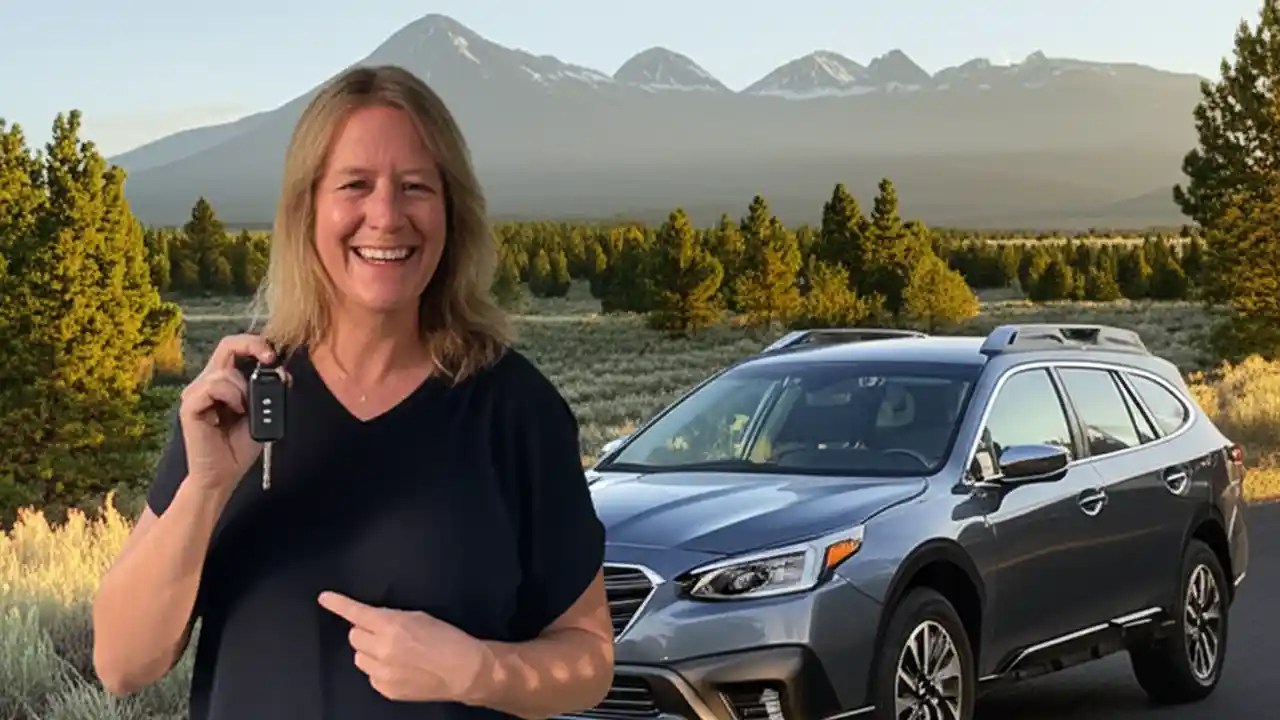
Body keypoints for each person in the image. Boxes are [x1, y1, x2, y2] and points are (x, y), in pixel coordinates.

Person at [90, 64, 614, 719]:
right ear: (308, 209)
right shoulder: (239, 402)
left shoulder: (514, 411)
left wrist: (479, 670)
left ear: (452, 211)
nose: (387, 217)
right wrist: (204, 489)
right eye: (355, 185)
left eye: (416, 186)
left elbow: (589, 660)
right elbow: (121, 663)